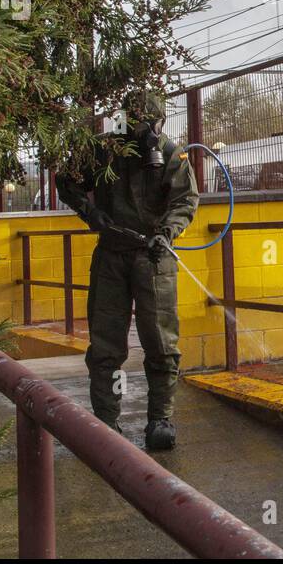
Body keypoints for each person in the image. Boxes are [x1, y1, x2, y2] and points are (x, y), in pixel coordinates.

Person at [57, 89, 198, 450]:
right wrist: (90, 213)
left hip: (154, 256)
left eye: (148, 126)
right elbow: (67, 178)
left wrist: (166, 232)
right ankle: (106, 423)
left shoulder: (170, 153)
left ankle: (160, 420)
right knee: (106, 345)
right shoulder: (105, 150)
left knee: (161, 343)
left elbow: (185, 201)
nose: (142, 133)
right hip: (111, 255)